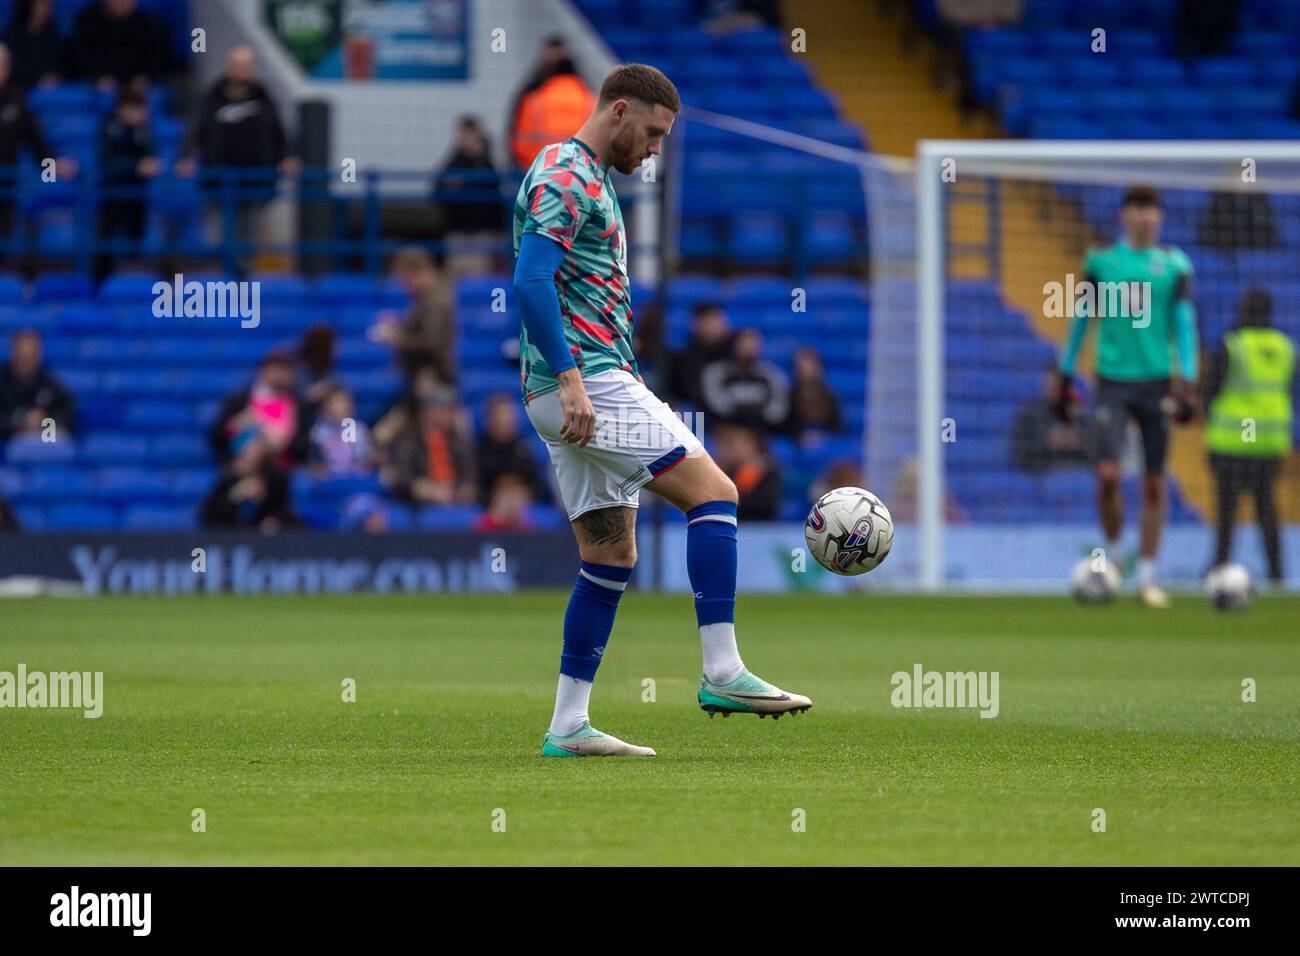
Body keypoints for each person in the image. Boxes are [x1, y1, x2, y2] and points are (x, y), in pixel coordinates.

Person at [512, 63, 810, 759]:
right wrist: (572, 378)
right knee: (715, 492)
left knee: (610, 554)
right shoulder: (565, 169)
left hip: (573, 388)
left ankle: (567, 725)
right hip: (585, 383)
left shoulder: (593, 183)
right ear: (619, 111)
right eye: (651, 133)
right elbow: (529, 282)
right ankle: (724, 671)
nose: (653, 150)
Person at [1052, 185, 1199, 608]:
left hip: (1157, 384)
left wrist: (1187, 381)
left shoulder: (1174, 265)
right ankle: (1116, 559)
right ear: (1123, 215)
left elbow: (1185, 325)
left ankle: (1148, 579)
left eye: (1152, 208)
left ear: (1160, 217)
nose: (1145, 216)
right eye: (1137, 208)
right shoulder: (1101, 261)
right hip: (1111, 381)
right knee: (1108, 475)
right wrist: (1065, 373)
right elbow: (1082, 315)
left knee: (1154, 483)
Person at [177, 47, 299, 273]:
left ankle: (240, 284)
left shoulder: (263, 97)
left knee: (248, 237)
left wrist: (287, 156)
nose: (243, 71)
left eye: (247, 66)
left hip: (255, 180)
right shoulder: (212, 97)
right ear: (229, 67)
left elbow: (278, 131)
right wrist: (185, 157)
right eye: (238, 65)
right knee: (223, 235)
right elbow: (195, 128)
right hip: (219, 179)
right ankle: (224, 278)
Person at [1202, 289, 1295, 585]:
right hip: (1268, 442)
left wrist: (1209, 421)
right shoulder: (1286, 347)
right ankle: (1277, 573)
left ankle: (1219, 568)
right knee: (1266, 506)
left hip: (1233, 440)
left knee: (1227, 510)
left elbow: (1211, 389)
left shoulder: (1234, 345)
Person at [95, 87, 160, 284]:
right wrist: (135, 166)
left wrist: (150, 165)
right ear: (123, 109)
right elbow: (106, 163)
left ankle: (133, 286)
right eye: (136, 109)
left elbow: (151, 155)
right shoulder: (108, 127)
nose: (141, 114)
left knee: (136, 241)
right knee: (105, 242)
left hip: (137, 195)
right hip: (112, 194)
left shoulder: (144, 129)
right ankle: (100, 285)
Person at [209, 349, 309, 469]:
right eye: (279, 368)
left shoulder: (298, 404)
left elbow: (301, 445)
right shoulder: (240, 400)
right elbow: (218, 435)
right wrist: (234, 425)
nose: (283, 374)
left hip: (278, 470)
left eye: (287, 369)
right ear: (264, 369)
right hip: (240, 464)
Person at [370, 247, 456, 384]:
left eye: (404, 278)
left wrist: (398, 339)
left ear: (416, 272)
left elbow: (433, 341)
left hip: (432, 378)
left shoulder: (435, 301)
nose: (402, 285)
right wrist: (398, 325)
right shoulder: (423, 297)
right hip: (420, 375)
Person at [508, 36, 594, 171]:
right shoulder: (585, 94)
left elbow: (517, 135)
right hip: (579, 171)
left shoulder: (533, 96)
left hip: (540, 170)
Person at [382, 387, 476, 506]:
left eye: (449, 410)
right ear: (427, 411)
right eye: (442, 409)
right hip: (419, 507)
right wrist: (421, 487)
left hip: (454, 503)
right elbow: (400, 476)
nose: (447, 415)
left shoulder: (459, 442)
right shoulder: (407, 440)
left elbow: (470, 477)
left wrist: (458, 491)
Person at [699, 327, 791, 433]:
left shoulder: (770, 374)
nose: (749, 349)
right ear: (735, 345)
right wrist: (740, 415)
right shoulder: (716, 372)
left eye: (753, 344)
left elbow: (778, 407)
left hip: (761, 430)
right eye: (745, 344)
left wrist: (756, 418)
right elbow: (715, 403)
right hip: (726, 428)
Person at [67, 0, 167, 90]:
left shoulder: (146, 23)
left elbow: (155, 57)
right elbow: (80, 57)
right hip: (97, 80)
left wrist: (145, 76)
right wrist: (98, 77)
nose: (123, 2)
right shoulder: (87, 22)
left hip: (136, 81)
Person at [1010, 365, 1091, 474]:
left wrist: (1077, 440)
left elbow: (1095, 447)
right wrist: (1047, 440)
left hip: (1078, 470)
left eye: (1058, 383)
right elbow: (1021, 448)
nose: (1053, 386)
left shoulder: (1080, 412)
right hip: (1043, 471)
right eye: (1050, 382)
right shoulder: (1031, 414)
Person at [0, 328, 75, 443]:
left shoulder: (49, 383)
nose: (26, 364)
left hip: (42, 443)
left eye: (31, 358)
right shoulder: (3, 382)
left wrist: (44, 421)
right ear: (13, 353)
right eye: (22, 358)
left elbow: (69, 416)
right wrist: (19, 421)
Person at [475, 393, 546, 506]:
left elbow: (537, 486)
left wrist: (523, 495)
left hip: (523, 507)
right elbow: (476, 488)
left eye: (508, 415)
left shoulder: (524, 449)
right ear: (489, 420)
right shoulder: (479, 451)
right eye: (499, 415)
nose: (505, 421)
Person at [667, 302, 733, 408]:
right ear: (696, 324)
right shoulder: (684, 360)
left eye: (719, 320)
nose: (716, 326)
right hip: (699, 414)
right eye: (710, 321)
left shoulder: (734, 356)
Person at [712, 423, 781, 520]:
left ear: (752, 444)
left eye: (736, 442)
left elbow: (765, 507)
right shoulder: (728, 470)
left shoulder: (769, 471)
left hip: (761, 528)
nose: (733, 448)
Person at [309, 385, 376, 478]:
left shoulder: (359, 430)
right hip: (328, 479)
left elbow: (366, 458)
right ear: (324, 408)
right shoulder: (319, 431)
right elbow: (315, 462)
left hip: (356, 477)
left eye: (345, 401)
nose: (342, 406)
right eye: (336, 402)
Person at [2, 0, 62, 90]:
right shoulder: (13, 34)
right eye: (42, 5)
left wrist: (54, 76)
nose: (48, 9)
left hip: (49, 84)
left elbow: (58, 61)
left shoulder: (52, 32)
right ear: (30, 6)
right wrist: (36, 80)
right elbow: (12, 67)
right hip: (20, 85)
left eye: (49, 5)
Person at [787, 345, 842, 437]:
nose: (805, 371)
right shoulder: (789, 396)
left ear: (818, 368)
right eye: (801, 367)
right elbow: (785, 426)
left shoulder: (830, 395)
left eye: (809, 366)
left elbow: (837, 427)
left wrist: (823, 438)